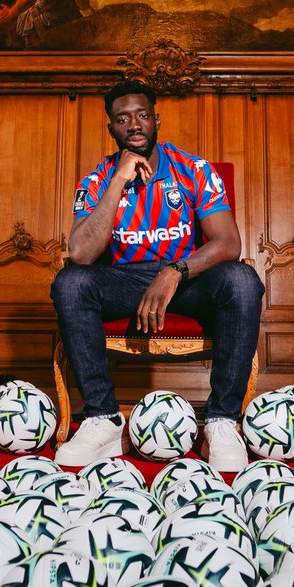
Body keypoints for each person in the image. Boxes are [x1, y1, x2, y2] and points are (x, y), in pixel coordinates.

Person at [50, 79, 265, 470]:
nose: (134, 124)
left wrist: (173, 272)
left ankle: (221, 422)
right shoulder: (97, 180)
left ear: (156, 120)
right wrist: (118, 181)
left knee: (242, 280)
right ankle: (103, 419)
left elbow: (228, 243)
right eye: (122, 118)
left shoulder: (192, 169)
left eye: (142, 115)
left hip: (186, 281)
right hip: (123, 280)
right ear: (112, 128)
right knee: (70, 282)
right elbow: (81, 253)